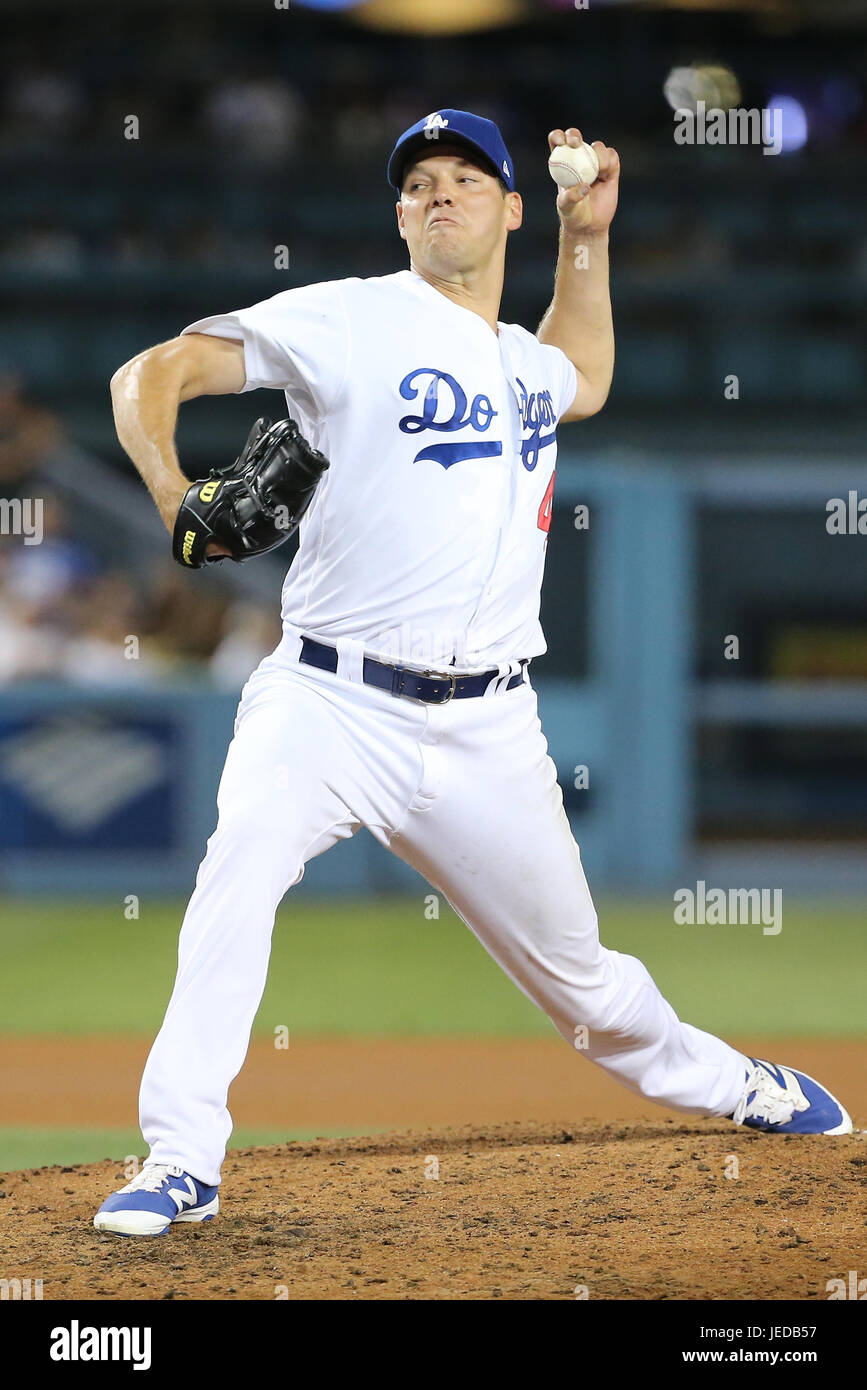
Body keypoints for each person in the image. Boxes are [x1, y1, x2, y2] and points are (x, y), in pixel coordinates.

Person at [94, 111, 852, 1237]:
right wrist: (172, 494)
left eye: (464, 179)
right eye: (417, 184)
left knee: (586, 988)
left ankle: (733, 1082)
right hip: (327, 700)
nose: (437, 194)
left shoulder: (518, 364)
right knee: (237, 873)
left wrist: (585, 236)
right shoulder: (346, 315)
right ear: (399, 214)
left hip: (489, 727)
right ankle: (180, 1156)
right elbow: (146, 373)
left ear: (509, 207)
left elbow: (582, 372)